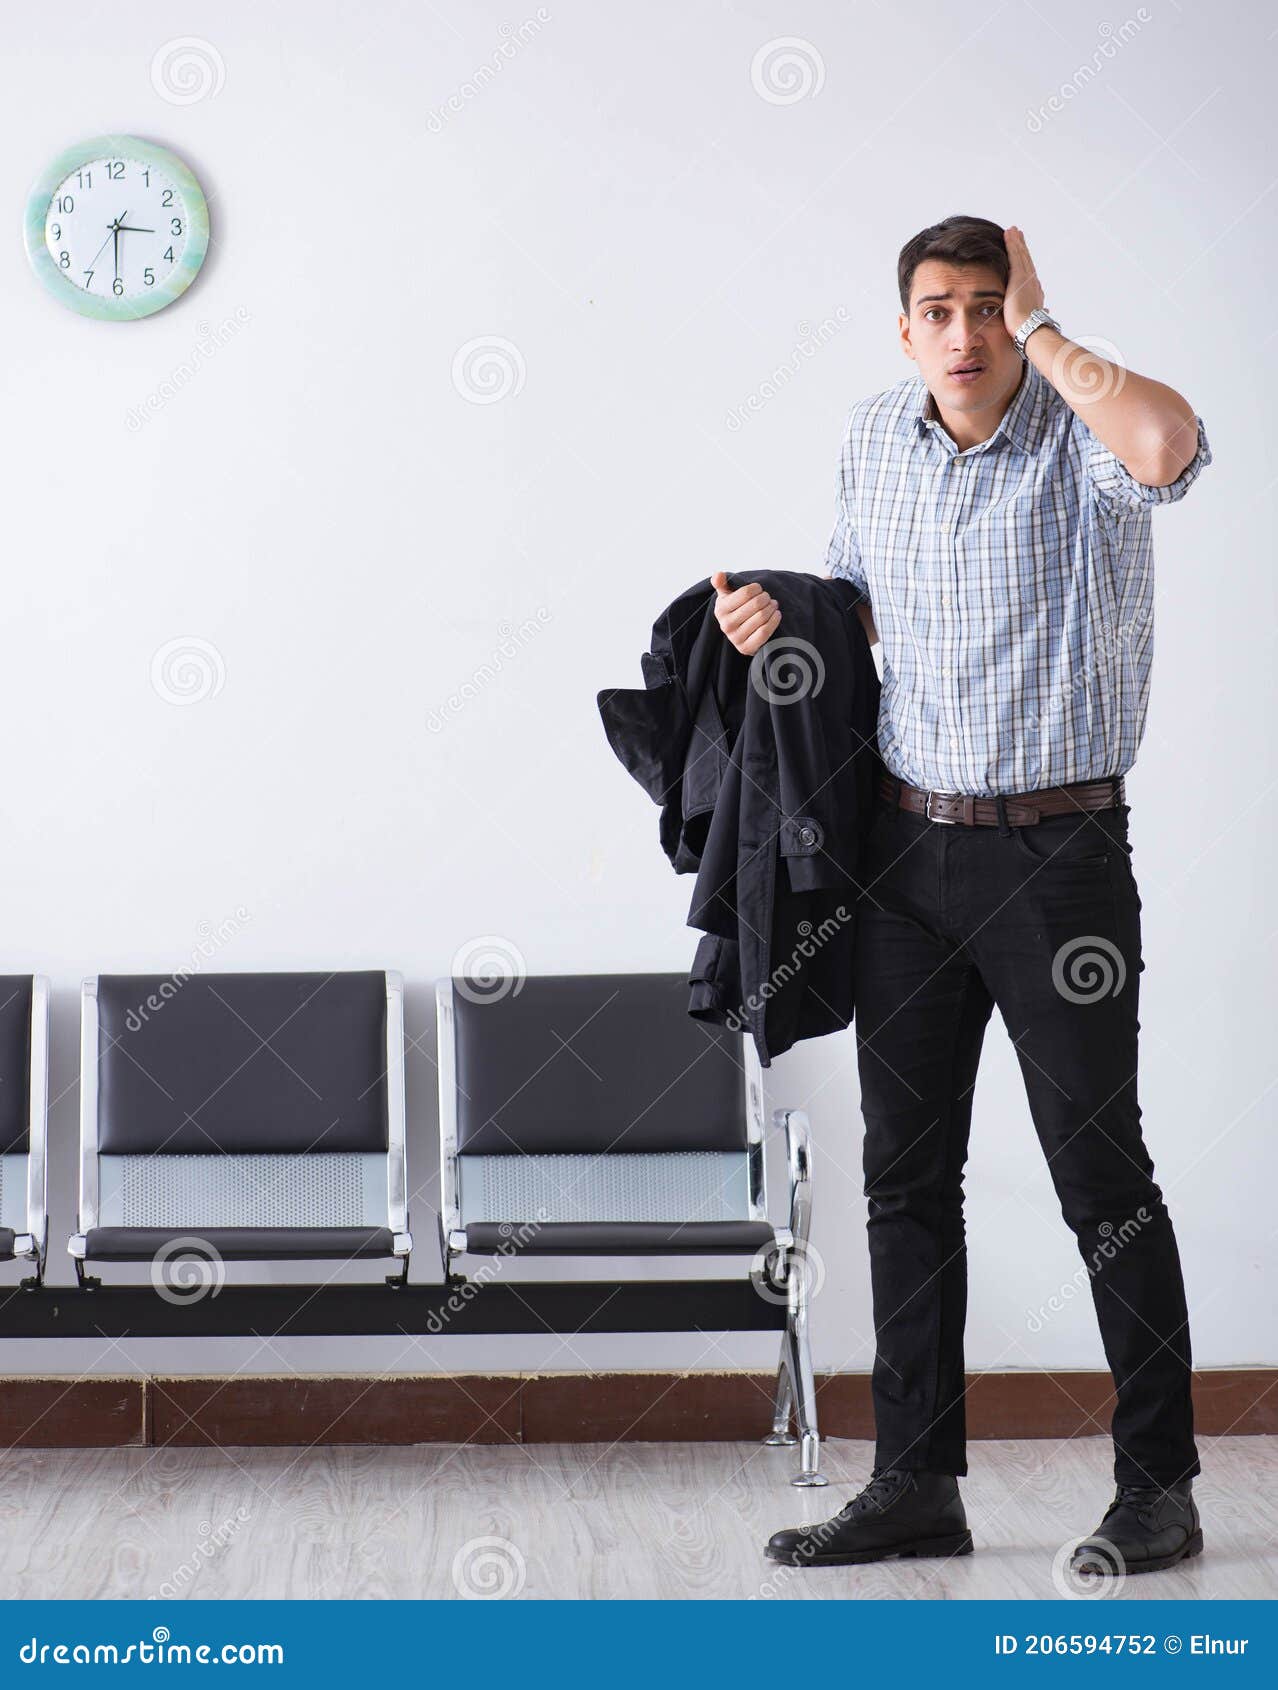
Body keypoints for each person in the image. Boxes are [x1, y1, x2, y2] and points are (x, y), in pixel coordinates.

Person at [713, 215, 1211, 1576]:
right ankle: (915, 1481)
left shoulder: (1081, 431)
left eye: (988, 306)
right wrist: (777, 623)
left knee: (1099, 1174)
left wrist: (1049, 334)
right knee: (905, 1179)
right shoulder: (874, 434)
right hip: (903, 859)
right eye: (939, 309)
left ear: (1019, 313)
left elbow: (1168, 447)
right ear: (905, 329)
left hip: (1057, 862)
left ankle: (1157, 1488)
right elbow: (858, 613)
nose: (964, 333)